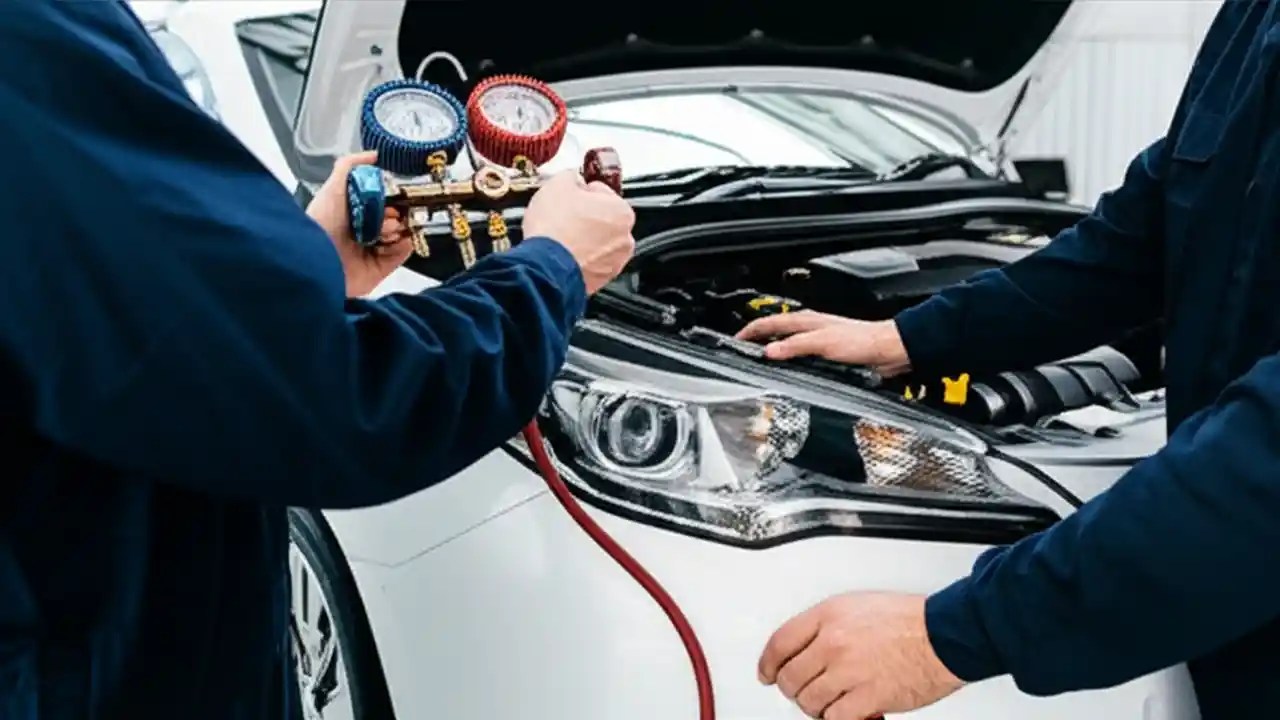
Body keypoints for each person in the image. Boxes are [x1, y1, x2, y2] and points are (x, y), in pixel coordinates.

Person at [0, 1, 634, 718]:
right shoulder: (27, 42)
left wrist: (307, 272)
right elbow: (334, 397)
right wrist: (552, 274)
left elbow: (130, 322)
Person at [740, 2, 1280, 719]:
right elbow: (1143, 231)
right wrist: (907, 338)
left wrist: (952, 634)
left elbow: (1264, 468)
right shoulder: (1252, 17)